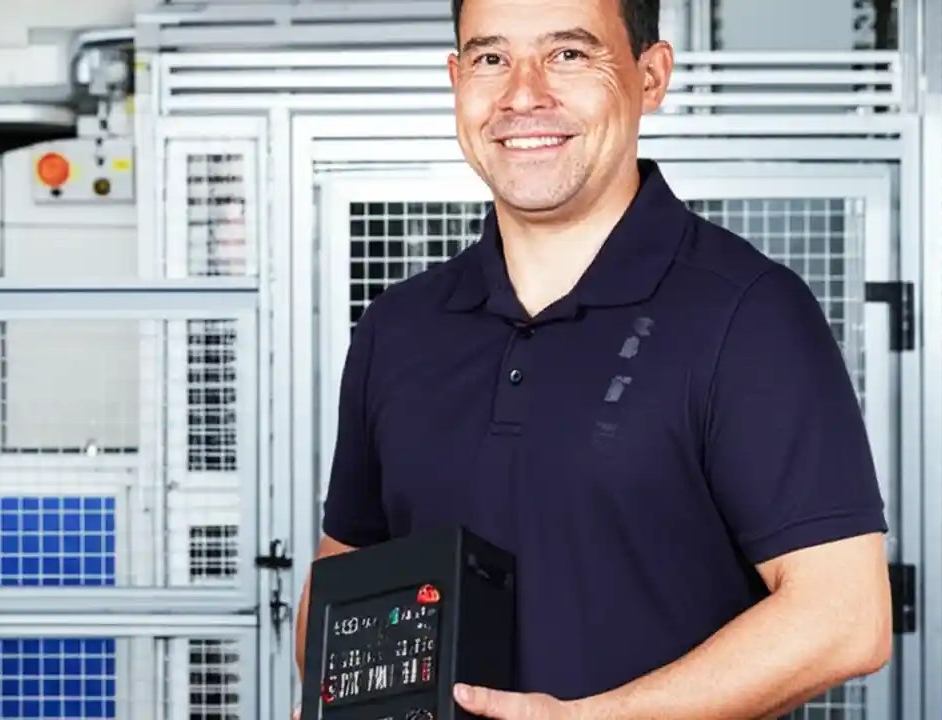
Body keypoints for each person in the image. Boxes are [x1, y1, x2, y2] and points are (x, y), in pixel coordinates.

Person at [294, 0, 894, 717]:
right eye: (490, 58)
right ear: (455, 79)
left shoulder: (749, 313)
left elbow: (845, 619)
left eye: (569, 54)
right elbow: (342, 578)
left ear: (651, 76)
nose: (523, 94)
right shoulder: (398, 326)